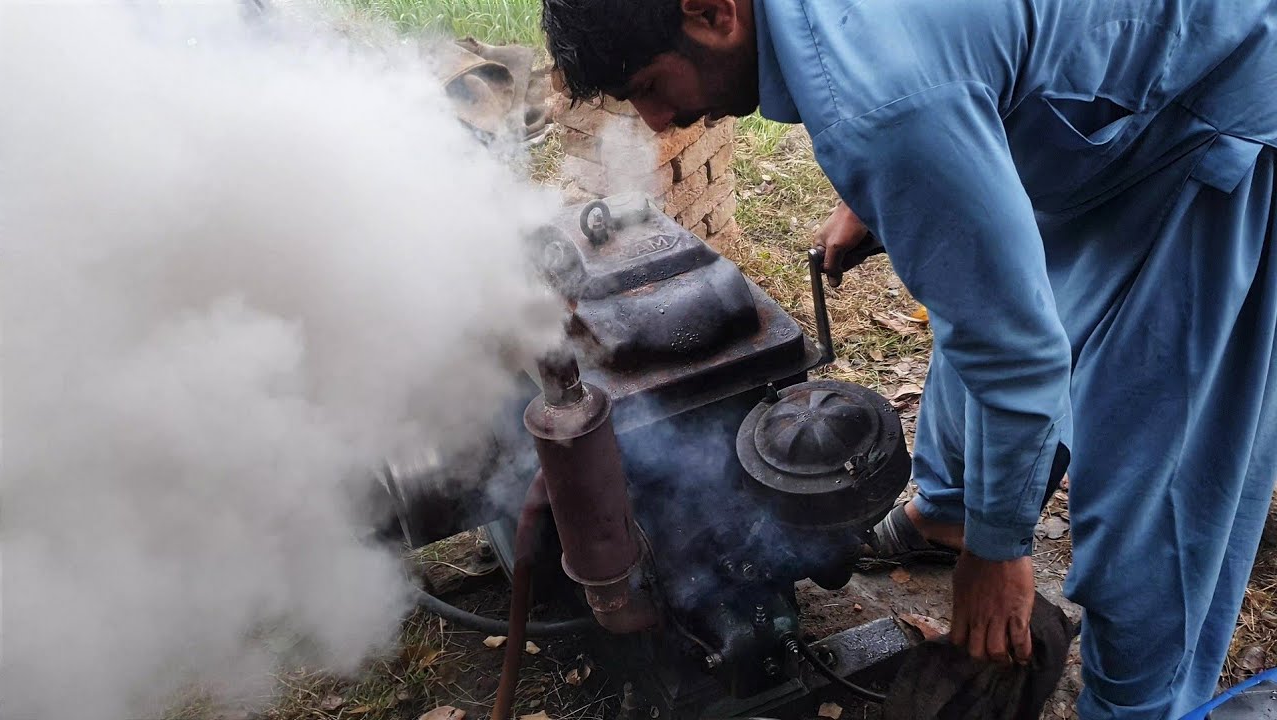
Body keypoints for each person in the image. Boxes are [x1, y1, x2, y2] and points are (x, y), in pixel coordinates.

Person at [541, 1, 1277, 718]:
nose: (657, 121)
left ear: (713, 14)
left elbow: (1015, 354)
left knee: (1153, 475)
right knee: (973, 307)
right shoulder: (845, 61)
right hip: (1095, 111)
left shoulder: (885, 104)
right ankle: (947, 514)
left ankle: (1140, 701)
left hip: (1215, 114)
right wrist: (877, 192)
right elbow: (945, 72)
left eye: (649, 88)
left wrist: (999, 555)